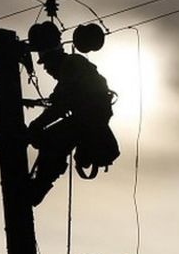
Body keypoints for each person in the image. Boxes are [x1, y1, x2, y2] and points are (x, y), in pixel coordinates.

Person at [27, 46, 119, 206]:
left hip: (88, 120)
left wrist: (36, 125)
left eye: (47, 65)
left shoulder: (72, 65)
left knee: (51, 141)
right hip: (89, 119)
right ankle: (38, 186)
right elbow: (61, 100)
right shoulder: (72, 68)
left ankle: (37, 188)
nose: (47, 70)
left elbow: (61, 104)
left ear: (55, 58)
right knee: (50, 140)